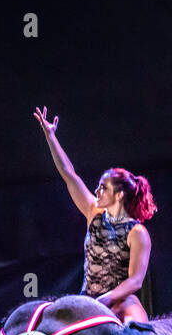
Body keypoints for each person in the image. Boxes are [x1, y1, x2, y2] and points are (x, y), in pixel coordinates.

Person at [34, 106, 155, 323]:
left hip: (119, 301)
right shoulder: (94, 213)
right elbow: (69, 174)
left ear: (119, 195)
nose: (97, 191)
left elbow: (135, 281)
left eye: (103, 188)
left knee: (136, 322)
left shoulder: (137, 232)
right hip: (88, 299)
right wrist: (51, 137)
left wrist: (107, 299)